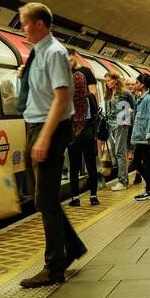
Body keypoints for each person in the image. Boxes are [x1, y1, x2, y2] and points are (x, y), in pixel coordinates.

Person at [17, 3, 86, 288]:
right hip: (38, 125)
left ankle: (54, 266)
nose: (22, 28)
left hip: (50, 127)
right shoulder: (38, 53)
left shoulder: (55, 52)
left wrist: (45, 136)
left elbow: (62, 97)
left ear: (40, 24)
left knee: (44, 199)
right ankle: (71, 249)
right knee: (43, 197)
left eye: (25, 23)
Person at [66, 60, 100, 207]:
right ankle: (93, 196)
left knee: (74, 168)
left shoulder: (68, 100)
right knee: (91, 166)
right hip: (88, 135)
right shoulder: (91, 98)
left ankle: (75, 198)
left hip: (73, 137)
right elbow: (96, 115)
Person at [128, 73, 150, 200]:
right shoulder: (141, 99)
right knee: (142, 162)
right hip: (140, 136)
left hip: (144, 137)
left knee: (139, 162)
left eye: (136, 83)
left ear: (142, 85)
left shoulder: (148, 100)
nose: (134, 85)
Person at [102, 73, 134, 191]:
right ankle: (124, 179)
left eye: (109, 80)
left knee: (119, 153)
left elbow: (134, 106)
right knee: (118, 152)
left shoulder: (125, 93)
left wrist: (128, 113)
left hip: (122, 123)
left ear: (116, 80)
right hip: (111, 125)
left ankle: (123, 181)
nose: (107, 83)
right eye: (106, 81)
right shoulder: (108, 94)